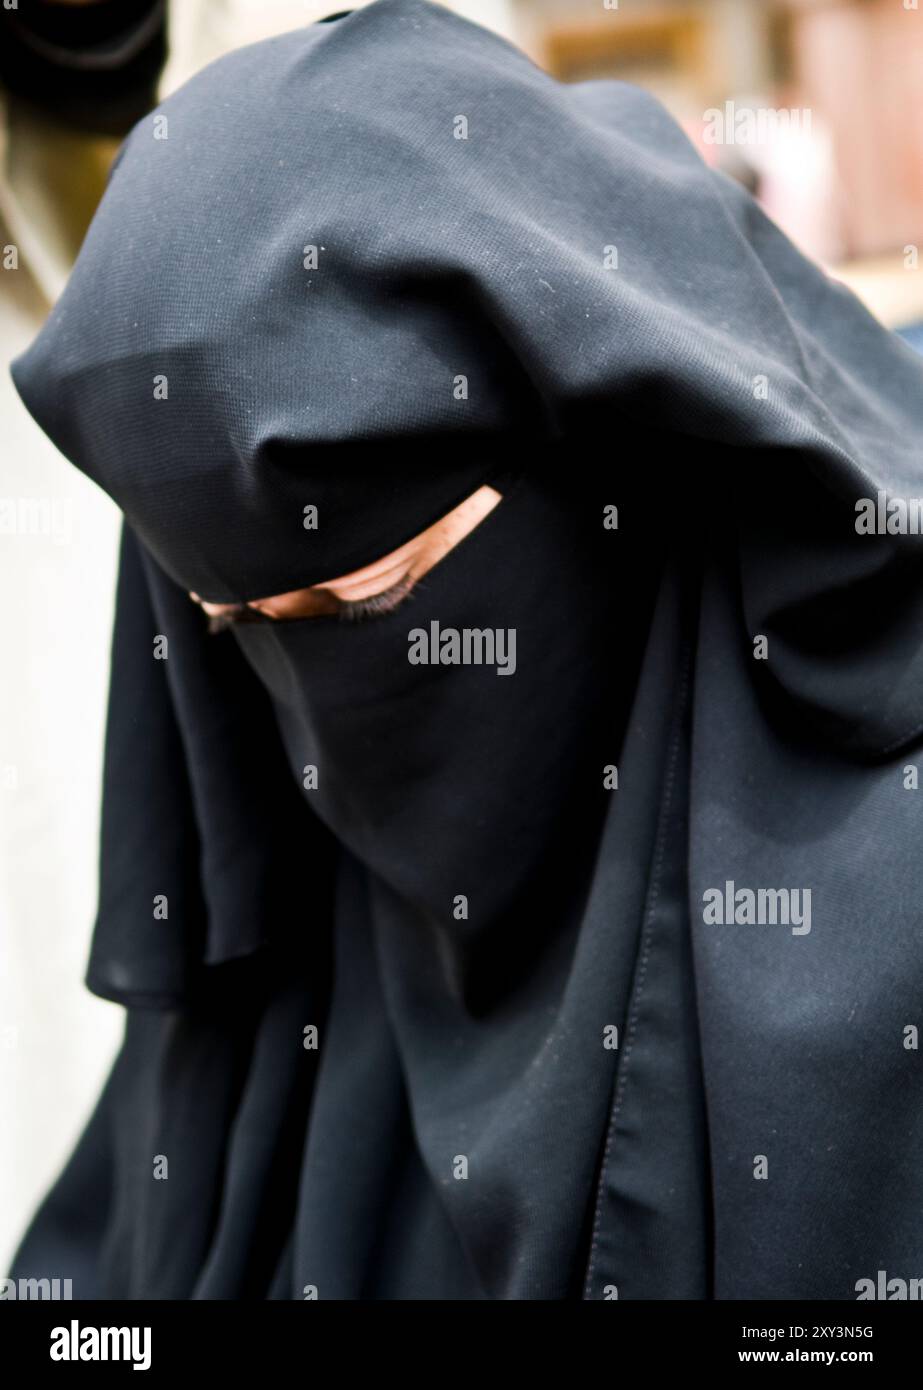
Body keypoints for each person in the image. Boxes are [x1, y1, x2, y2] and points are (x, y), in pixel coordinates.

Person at [8, 0, 923, 1300]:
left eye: (366, 598)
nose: (321, 727)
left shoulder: (882, 887)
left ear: (594, 447)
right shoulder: (275, 929)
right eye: (243, 635)